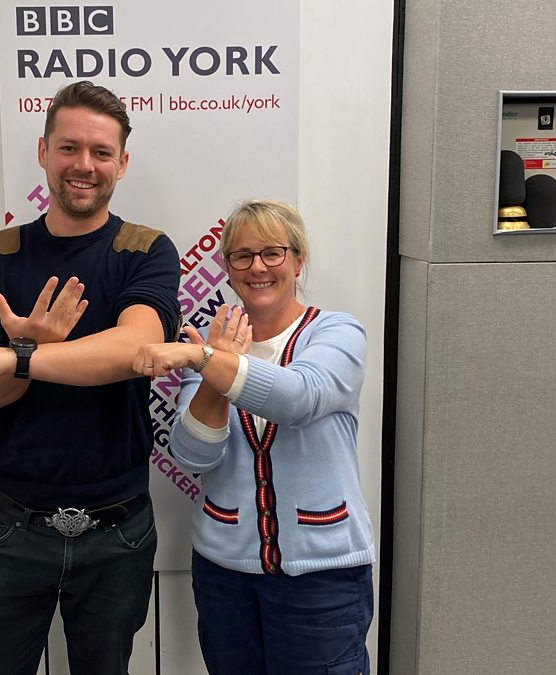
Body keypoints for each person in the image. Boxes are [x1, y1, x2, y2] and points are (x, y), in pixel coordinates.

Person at [0, 80, 180, 675]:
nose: (83, 165)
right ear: (42, 153)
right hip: (13, 525)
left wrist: (15, 355)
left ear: (122, 163)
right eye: (68, 148)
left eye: (100, 152)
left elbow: (136, 348)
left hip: (118, 528)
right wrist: (29, 344)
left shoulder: (147, 252)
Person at [133, 199, 374, 674]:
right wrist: (211, 367)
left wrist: (208, 364)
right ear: (227, 268)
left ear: (298, 260)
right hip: (225, 577)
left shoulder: (337, 333)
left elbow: (300, 398)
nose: (257, 267)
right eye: (241, 256)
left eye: (272, 253)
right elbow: (193, 455)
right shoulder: (207, 342)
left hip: (322, 579)